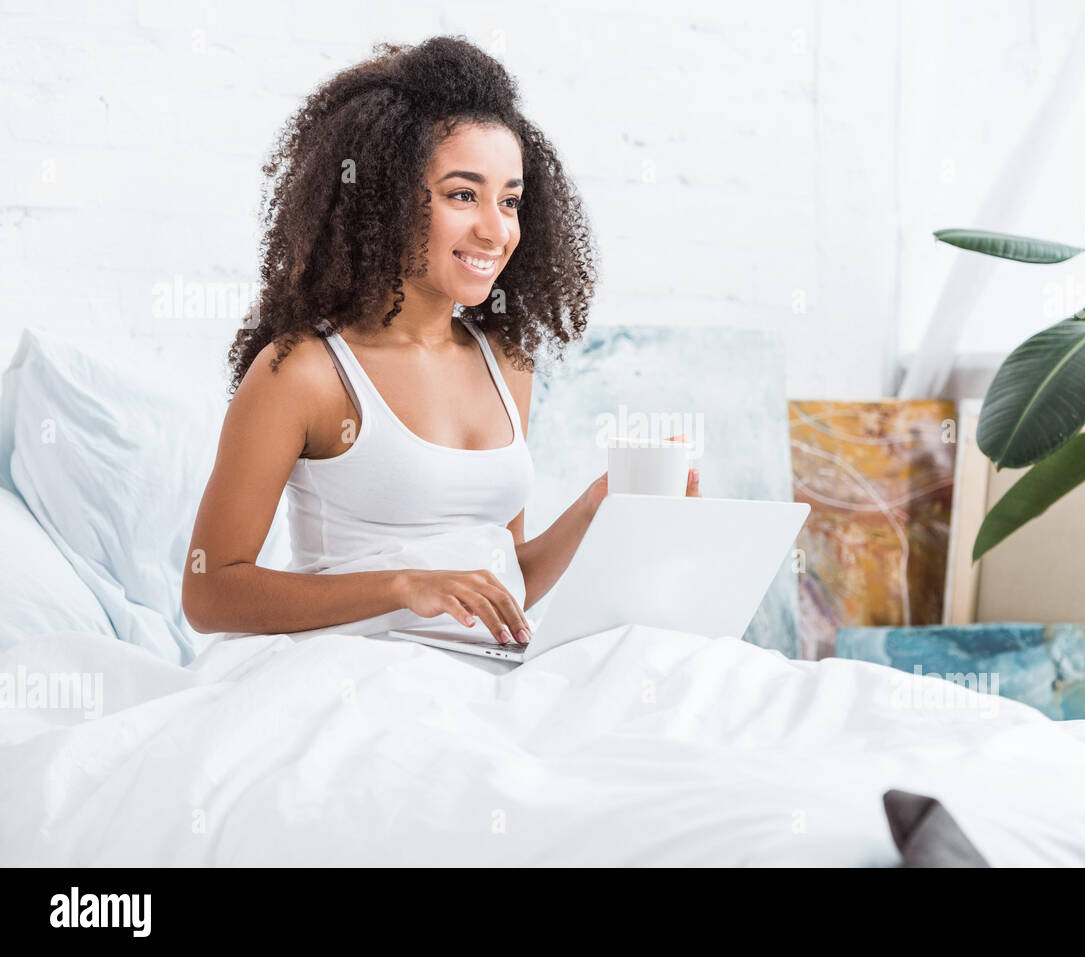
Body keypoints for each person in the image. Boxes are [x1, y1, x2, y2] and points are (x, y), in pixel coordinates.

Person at [181, 37, 700, 646]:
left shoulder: (505, 363)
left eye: (510, 200)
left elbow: (502, 586)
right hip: (349, 671)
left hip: (482, 672)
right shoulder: (304, 372)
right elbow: (210, 592)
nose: (495, 229)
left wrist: (594, 508)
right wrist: (400, 586)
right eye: (463, 195)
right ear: (382, 197)